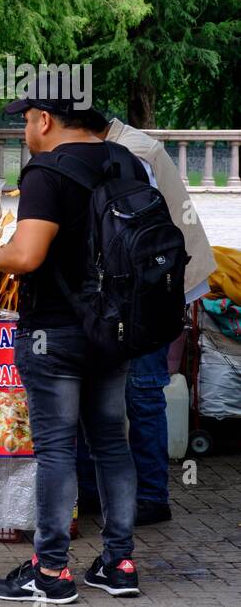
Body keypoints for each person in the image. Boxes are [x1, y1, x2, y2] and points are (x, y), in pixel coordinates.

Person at [0, 88, 149, 603]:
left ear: (44, 119)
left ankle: (50, 572)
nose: (24, 131)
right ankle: (120, 562)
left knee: (56, 450)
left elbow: (26, 256)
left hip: (56, 334)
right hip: (115, 330)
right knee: (112, 443)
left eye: (25, 120)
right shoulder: (128, 164)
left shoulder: (47, 171)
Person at [72, 116, 217, 525]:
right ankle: (95, 492)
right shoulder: (114, 146)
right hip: (138, 284)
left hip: (152, 287)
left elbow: (137, 231)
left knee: (144, 392)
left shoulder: (134, 152)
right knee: (109, 389)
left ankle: (151, 497)